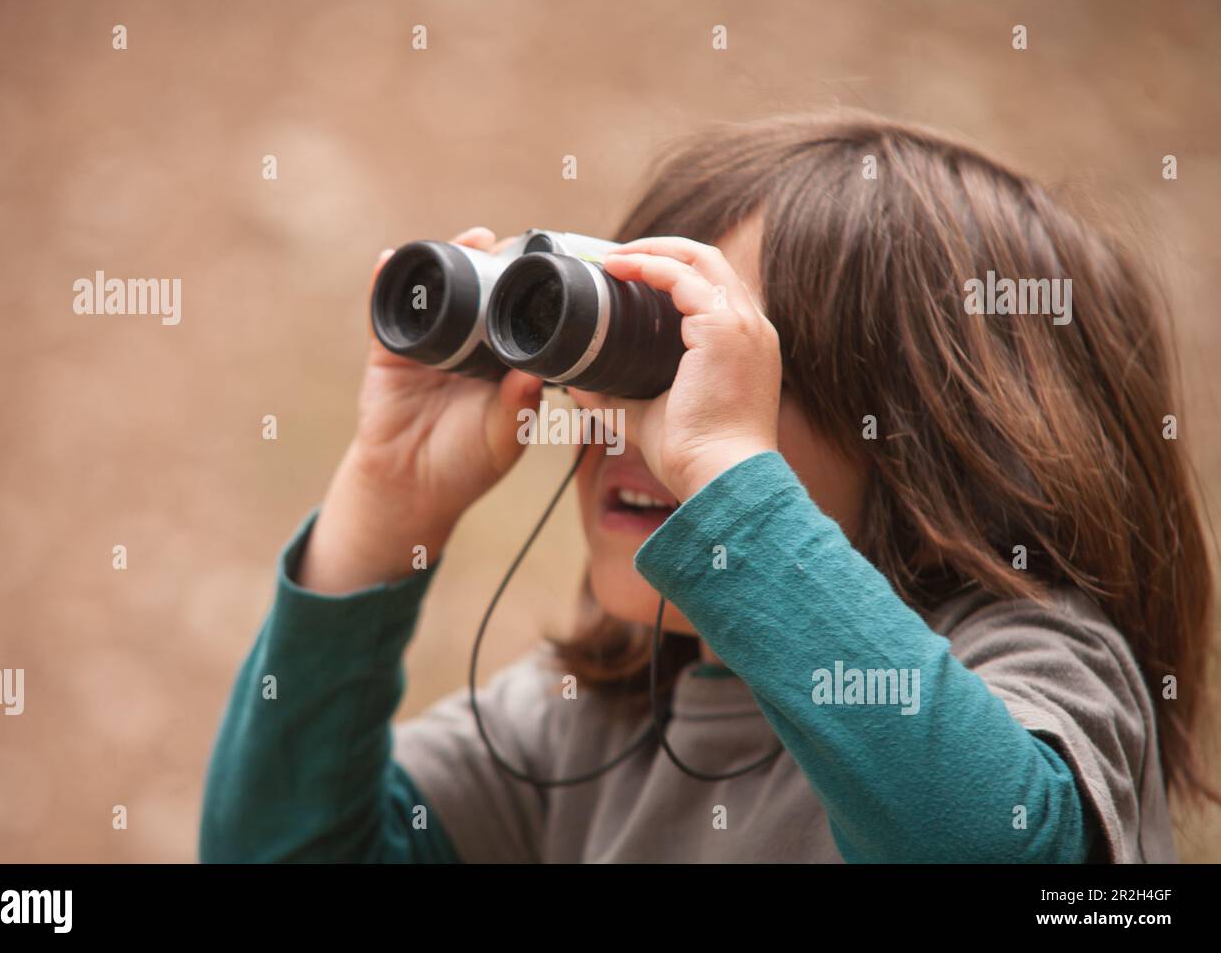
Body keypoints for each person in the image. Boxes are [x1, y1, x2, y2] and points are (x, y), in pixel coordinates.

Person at [199, 112, 1215, 863]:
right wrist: (383, 507)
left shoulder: (1039, 665)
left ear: (941, 447)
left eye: (714, 372)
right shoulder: (579, 728)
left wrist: (730, 481)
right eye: (625, 359)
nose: (637, 422)